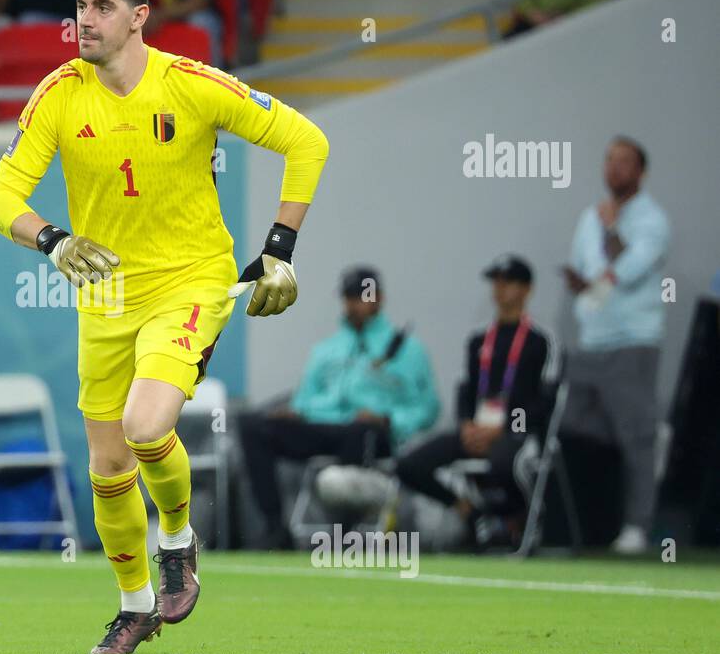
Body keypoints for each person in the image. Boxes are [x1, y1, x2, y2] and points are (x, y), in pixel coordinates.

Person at [0, 0, 330, 654]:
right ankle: (134, 606)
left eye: (104, 6)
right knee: (108, 467)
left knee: (147, 426)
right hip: (106, 296)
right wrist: (52, 241)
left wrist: (279, 250)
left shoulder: (192, 85)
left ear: (140, 16)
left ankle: (177, 535)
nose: (86, 19)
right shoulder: (58, 94)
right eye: (80, 6)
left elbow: (306, 140)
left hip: (189, 281)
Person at [237, 267, 440, 546]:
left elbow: (427, 407)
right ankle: (275, 527)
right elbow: (306, 397)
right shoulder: (327, 349)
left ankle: (346, 529)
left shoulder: (406, 349)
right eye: (349, 297)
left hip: (371, 431)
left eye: (361, 296)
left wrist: (390, 419)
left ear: (378, 299)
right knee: (252, 426)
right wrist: (297, 410)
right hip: (323, 427)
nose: (353, 304)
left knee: (360, 431)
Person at [395, 256, 561, 550]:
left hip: (516, 431)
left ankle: (517, 521)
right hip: (477, 428)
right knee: (410, 464)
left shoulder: (540, 341)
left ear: (526, 290)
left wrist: (505, 426)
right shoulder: (479, 340)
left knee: (503, 463)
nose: (499, 289)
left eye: (507, 282)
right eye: (495, 282)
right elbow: (468, 390)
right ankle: (471, 513)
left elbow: (546, 399)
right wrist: (468, 424)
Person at [562, 136, 671, 554]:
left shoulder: (652, 220)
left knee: (636, 438)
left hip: (632, 342)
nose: (614, 169)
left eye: (624, 162)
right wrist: (577, 283)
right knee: (576, 431)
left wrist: (611, 228)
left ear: (641, 171)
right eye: (609, 160)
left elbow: (627, 268)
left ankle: (637, 527)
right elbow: (586, 271)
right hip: (591, 340)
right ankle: (589, 523)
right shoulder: (590, 216)